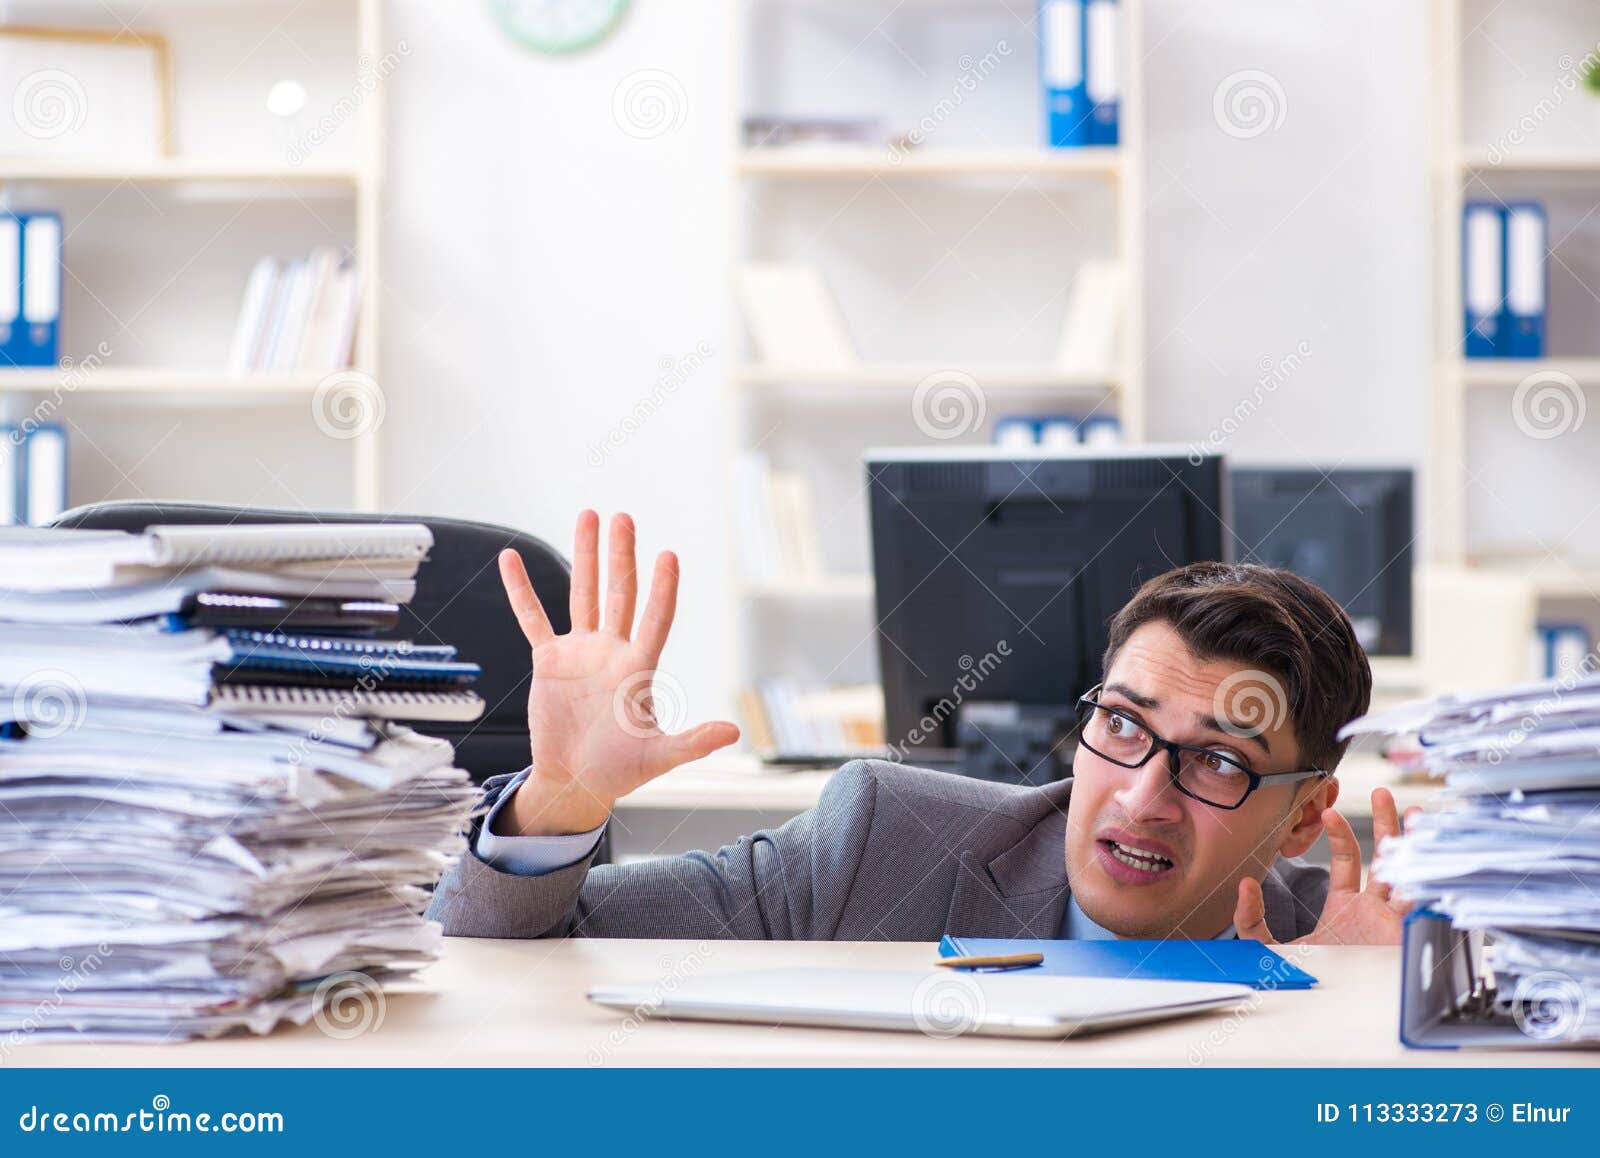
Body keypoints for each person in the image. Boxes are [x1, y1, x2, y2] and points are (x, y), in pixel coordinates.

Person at [428, 510, 1414, 944]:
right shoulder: (884, 847)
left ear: (1300, 819)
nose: (1142, 796)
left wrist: (1363, 1029)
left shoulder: (1338, 953)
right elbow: (498, 946)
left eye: (1215, 763)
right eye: (1121, 726)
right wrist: (557, 804)